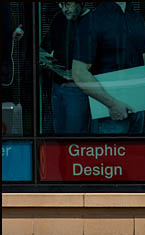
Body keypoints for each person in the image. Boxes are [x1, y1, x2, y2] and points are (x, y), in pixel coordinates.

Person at [72, 2, 145, 135]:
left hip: (138, 110)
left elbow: (144, 59)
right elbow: (79, 73)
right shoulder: (92, 21)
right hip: (109, 116)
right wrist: (112, 104)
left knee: (136, 156)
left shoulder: (136, 18)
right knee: (110, 156)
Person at [40, 2, 90, 135]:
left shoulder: (92, 21)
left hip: (77, 89)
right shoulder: (59, 18)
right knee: (59, 137)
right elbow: (45, 48)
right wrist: (48, 62)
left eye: (68, 4)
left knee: (74, 139)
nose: (64, 9)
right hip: (56, 86)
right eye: (61, 4)